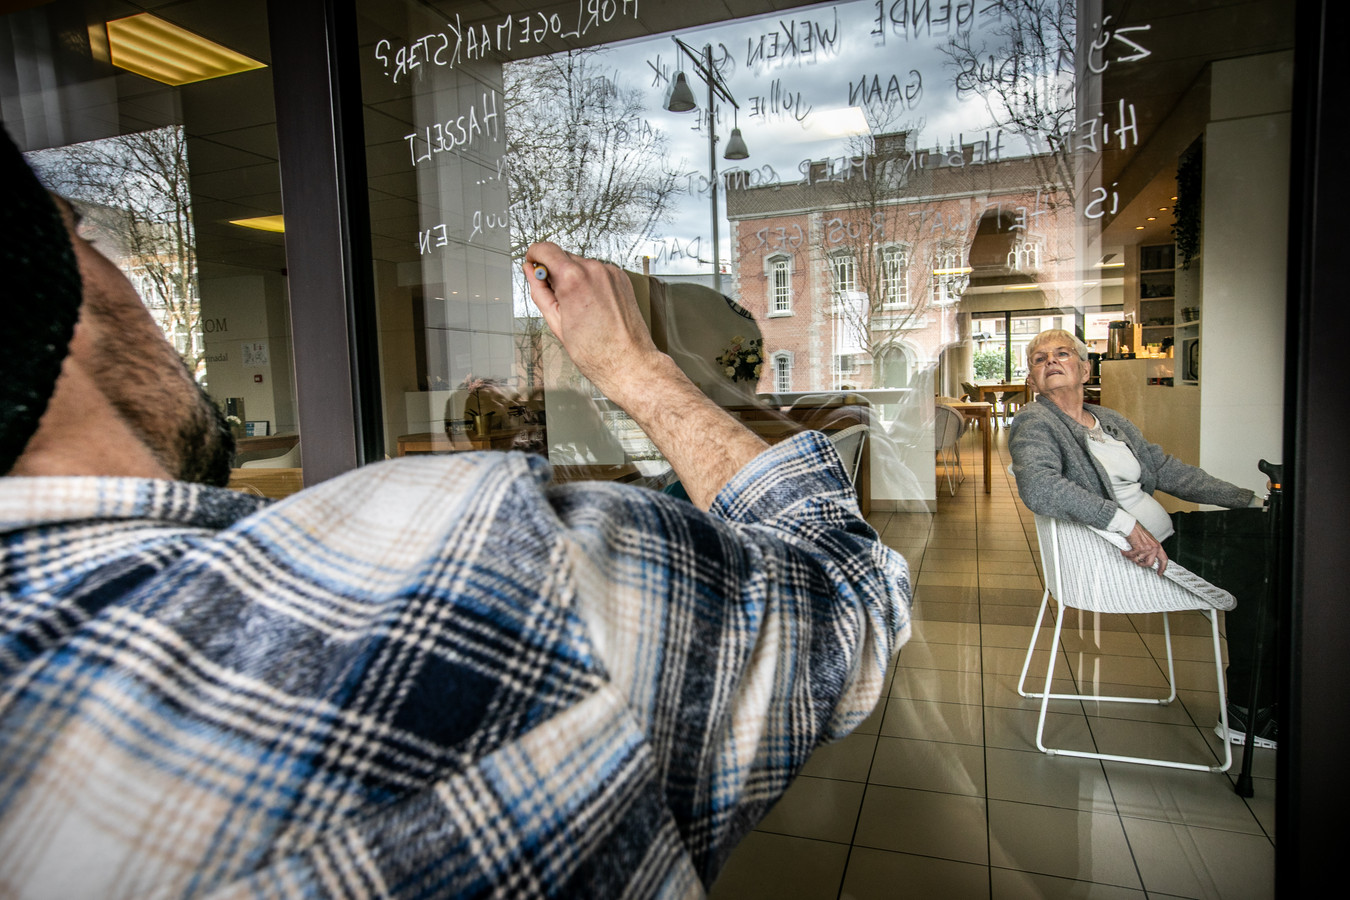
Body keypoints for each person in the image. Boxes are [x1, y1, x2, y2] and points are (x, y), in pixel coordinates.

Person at [0, 130, 910, 897]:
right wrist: (635, 368)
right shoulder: (471, 563)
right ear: (42, 289)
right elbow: (850, 601)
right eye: (79, 236)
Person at [1008, 329, 1274, 749]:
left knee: (1273, 530)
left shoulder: (1109, 420)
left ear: (1085, 368)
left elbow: (1170, 471)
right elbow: (1039, 487)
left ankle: (1269, 694)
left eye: (1062, 353)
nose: (1051, 362)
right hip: (1127, 556)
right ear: (1032, 380)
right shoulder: (1035, 423)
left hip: (1167, 534)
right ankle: (1249, 710)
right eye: (1040, 359)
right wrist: (1125, 523)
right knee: (1264, 570)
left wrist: (1251, 500)